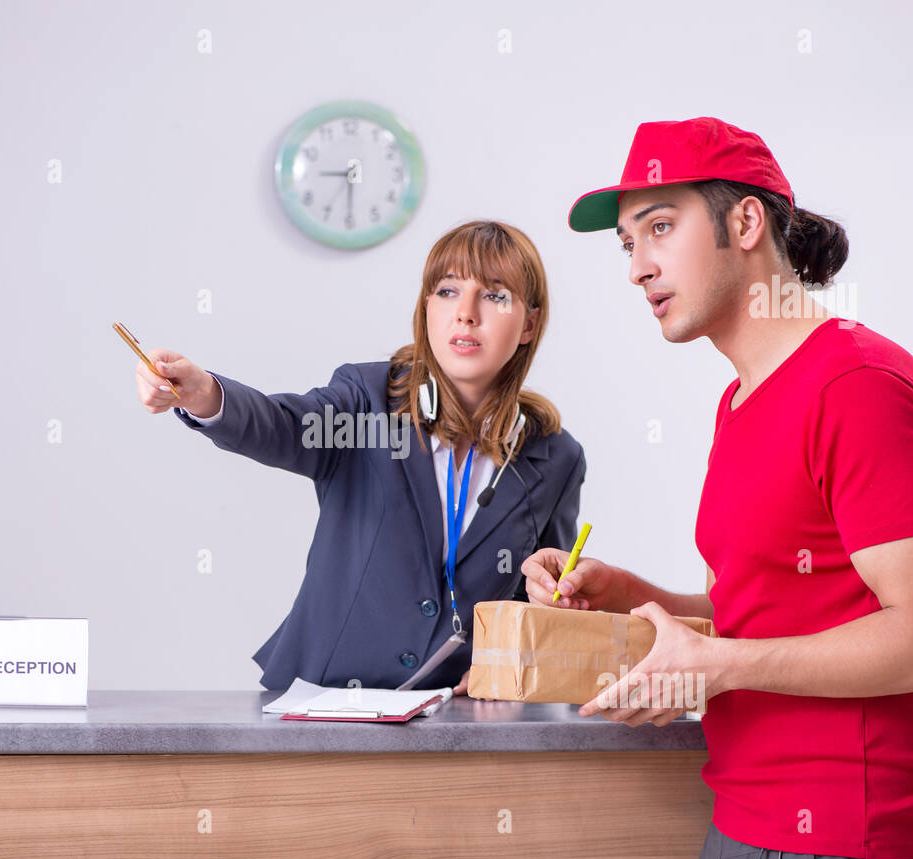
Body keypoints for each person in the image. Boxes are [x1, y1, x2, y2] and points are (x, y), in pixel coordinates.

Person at [524, 116, 913, 859]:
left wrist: (719, 666)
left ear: (744, 221)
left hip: (853, 840)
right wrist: (633, 595)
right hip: (747, 822)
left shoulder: (858, 388)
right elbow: (776, 613)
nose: (638, 266)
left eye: (660, 227)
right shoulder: (741, 401)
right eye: (628, 243)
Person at [136, 220, 586, 692]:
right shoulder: (367, 400)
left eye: (495, 296)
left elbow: (539, 598)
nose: (466, 314)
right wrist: (206, 393)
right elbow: (283, 426)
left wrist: (510, 659)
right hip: (323, 701)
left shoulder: (555, 457)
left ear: (529, 324)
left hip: (454, 713)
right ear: (426, 308)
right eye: (448, 291)